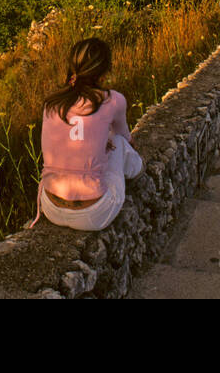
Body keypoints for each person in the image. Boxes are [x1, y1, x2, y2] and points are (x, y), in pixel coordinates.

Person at [29, 37, 143, 231]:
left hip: (51, 208)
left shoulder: (51, 104)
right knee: (118, 142)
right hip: (93, 214)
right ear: (104, 72)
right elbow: (125, 137)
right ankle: (140, 171)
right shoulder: (112, 100)